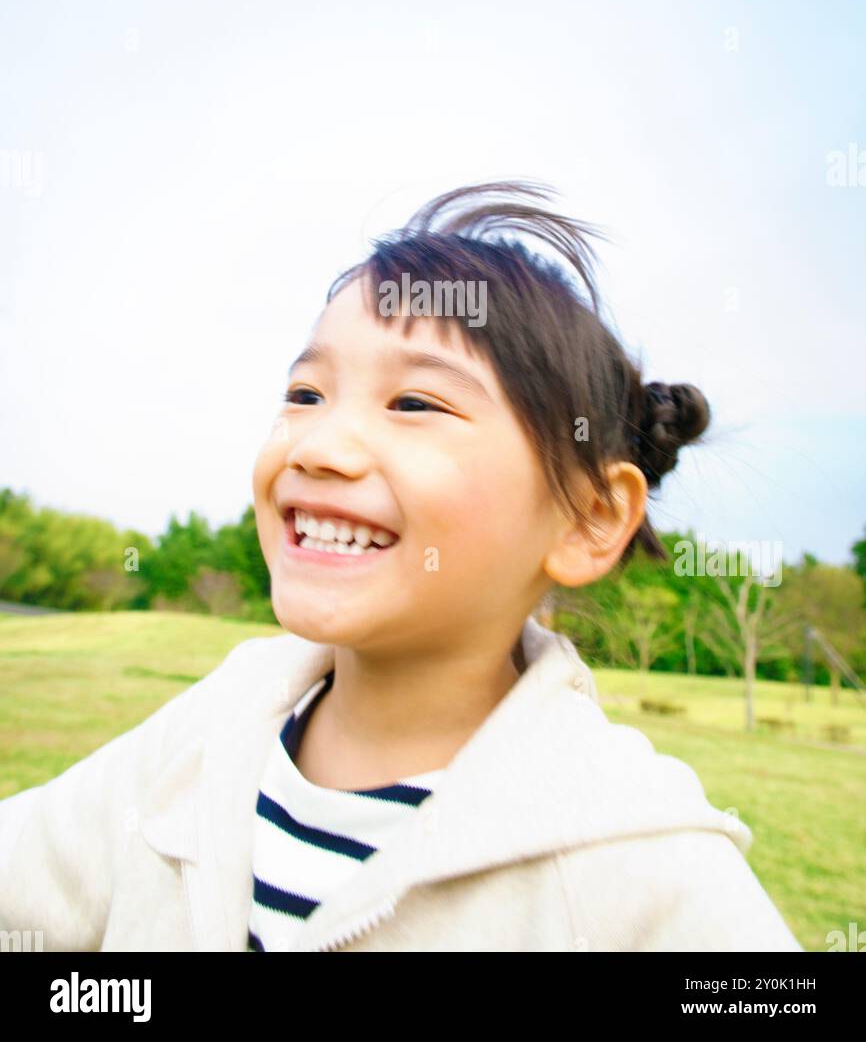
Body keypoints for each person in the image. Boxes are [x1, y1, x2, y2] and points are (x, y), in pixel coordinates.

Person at [0, 180, 804, 952]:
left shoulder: (649, 869)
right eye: (306, 394)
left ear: (590, 519)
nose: (317, 447)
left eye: (415, 404)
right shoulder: (212, 728)